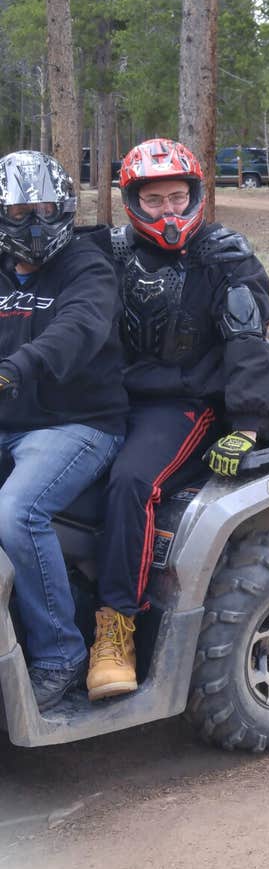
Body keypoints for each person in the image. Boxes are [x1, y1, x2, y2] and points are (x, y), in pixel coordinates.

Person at [86, 137, 269, 701]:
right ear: (133, 203)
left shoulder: (225, 255)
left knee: (129, 483)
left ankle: (116, 631)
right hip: (109, 396)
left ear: (195, 195)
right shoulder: (111, 250)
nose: (168, 212)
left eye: (177, 197)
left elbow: (247, 343)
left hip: (184, 403)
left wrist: (245, 422)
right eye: (155, 201)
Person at [0, 151, 128, 711]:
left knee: (15, 511)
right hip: (10, 420)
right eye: (19, 211)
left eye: (45, 209)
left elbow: (79, 328)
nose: (33, 223)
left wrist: (17, 367)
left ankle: (59, 654)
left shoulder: (88, 265)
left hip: (78, 423)